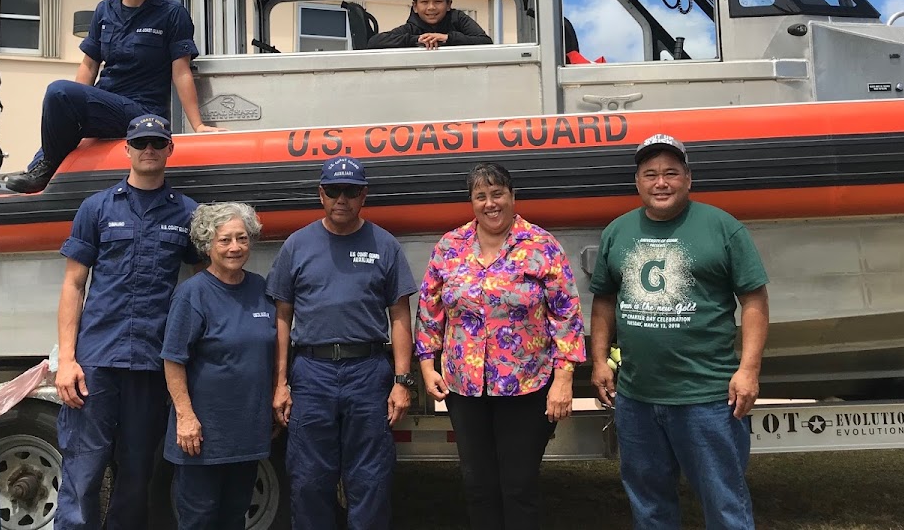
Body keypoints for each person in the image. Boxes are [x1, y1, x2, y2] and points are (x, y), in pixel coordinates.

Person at [588, 134, 771, 530]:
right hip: (636, 399)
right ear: (637, 182)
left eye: (671, 172)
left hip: (707, 398)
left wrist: (749, 369)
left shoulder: (723, 228)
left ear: (689, 178)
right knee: (649, 504)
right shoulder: (617, 231)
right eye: (650, 174)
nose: (661, 182)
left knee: (724, 503)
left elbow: (754, 301)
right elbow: (603, 300)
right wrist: (599, 360)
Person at [416, 162, 587, 530]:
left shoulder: (541, 245)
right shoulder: (450, 246)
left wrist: (564, 378)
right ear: (472, 201)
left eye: (497, 194)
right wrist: (427, 366)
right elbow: (430, 308)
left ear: (512, 197)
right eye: (481, 196)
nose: (490, 203)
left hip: (525, 387)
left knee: (518, 486)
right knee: (478, 486)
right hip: (465, 388)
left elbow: (567, 315)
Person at [53, 114, 200, 529]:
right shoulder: (96, 208)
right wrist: (67, 360)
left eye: (157, 142)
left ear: (170, 149)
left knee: (137, 471)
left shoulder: (188, 214)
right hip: (96, 361)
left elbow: (203, 285)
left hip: (153, 364)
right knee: (83, 467)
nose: (149, 149)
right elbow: (73, 284)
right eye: (141, 143)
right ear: (128, 149)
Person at [266, 155, 418, 530]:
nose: (342, 199)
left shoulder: (384, 245)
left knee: (370, 477)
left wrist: (401, 381)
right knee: (308, 478)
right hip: (312, 372)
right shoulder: (297, 245)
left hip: (367, 372)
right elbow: (282, 317)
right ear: (321, 194)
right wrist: (281, 383)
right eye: (333, 190)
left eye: (350, 191)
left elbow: (400, 317)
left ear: (363, 195)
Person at [6, 0, 219, 194]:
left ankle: (45, 168)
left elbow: (181, 71)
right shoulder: (104, 10)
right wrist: (71, 108)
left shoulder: (171, 13)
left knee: (58, 91)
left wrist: (198, 125)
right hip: (105, 102)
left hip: (142, 109)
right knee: (55, 120)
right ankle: (40, 178)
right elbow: (89, 65)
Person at [162, 202, 275, 530]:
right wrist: (185, 417)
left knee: (234, 518)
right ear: (207, 244)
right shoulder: (192, 294)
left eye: (242, 238)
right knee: (199, 519)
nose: (235, 247)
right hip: (201, 437)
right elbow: (172, 359)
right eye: (224, 240)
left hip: (247, 434)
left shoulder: (260, 289)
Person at [366, 0, 492, 49]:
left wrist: (447, 38)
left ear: (449, 4)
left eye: (438, 1)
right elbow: (374, 42)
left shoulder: (458, 18)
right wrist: (417, 40)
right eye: (424, 2)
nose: (431, 7)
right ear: (415, 6)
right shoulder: (411, 28)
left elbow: (485, 42)